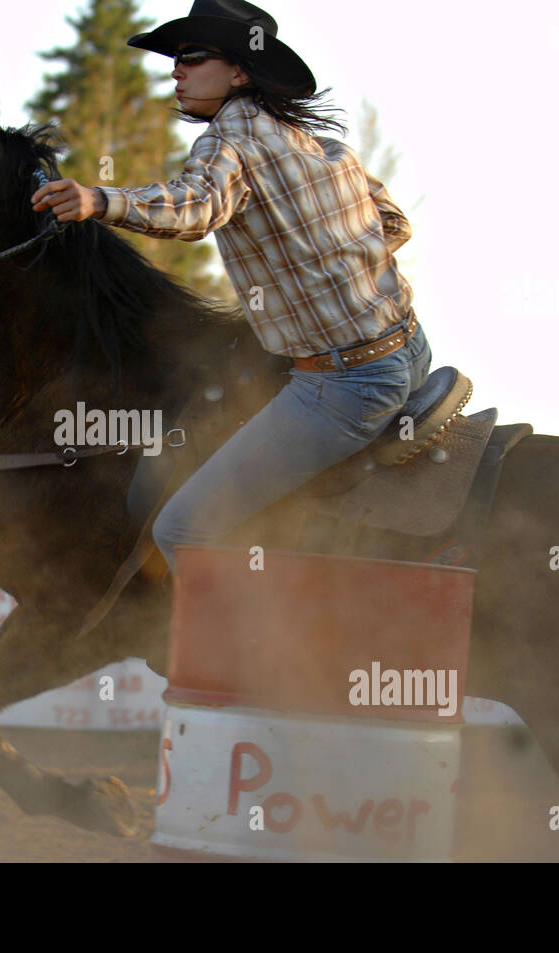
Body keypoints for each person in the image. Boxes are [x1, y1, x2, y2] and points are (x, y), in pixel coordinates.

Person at [30, 0, 431, 573]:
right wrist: (326, 277)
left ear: (240, 71)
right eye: (175, 60)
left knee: (182, 526)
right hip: (410, 350)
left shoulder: (229, 138)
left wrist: (100, 200)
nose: (176, 71)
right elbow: (394, 223)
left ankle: (251, 660)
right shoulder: (319, 143)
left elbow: (196, 208)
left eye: (192, 57)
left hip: (345, 384)